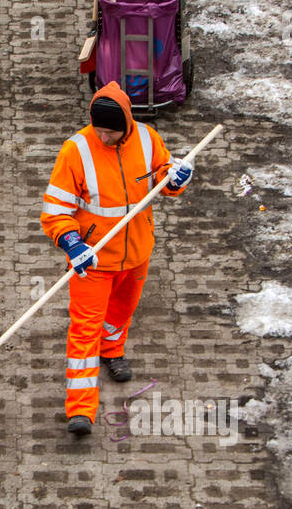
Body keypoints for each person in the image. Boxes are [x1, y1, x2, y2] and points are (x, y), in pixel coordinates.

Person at [40, 82, 193, 437]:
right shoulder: (75, 151)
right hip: (91, 262)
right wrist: (71, 242)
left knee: (121, 312)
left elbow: (161, 178)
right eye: (100, 130)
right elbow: (54, 210)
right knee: (84, 332)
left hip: (137, 253)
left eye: (112, 131)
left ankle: (113, 350)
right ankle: (81, 409)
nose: (105, 137)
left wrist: (175, 180)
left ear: (127, 123)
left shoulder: (147, 137)